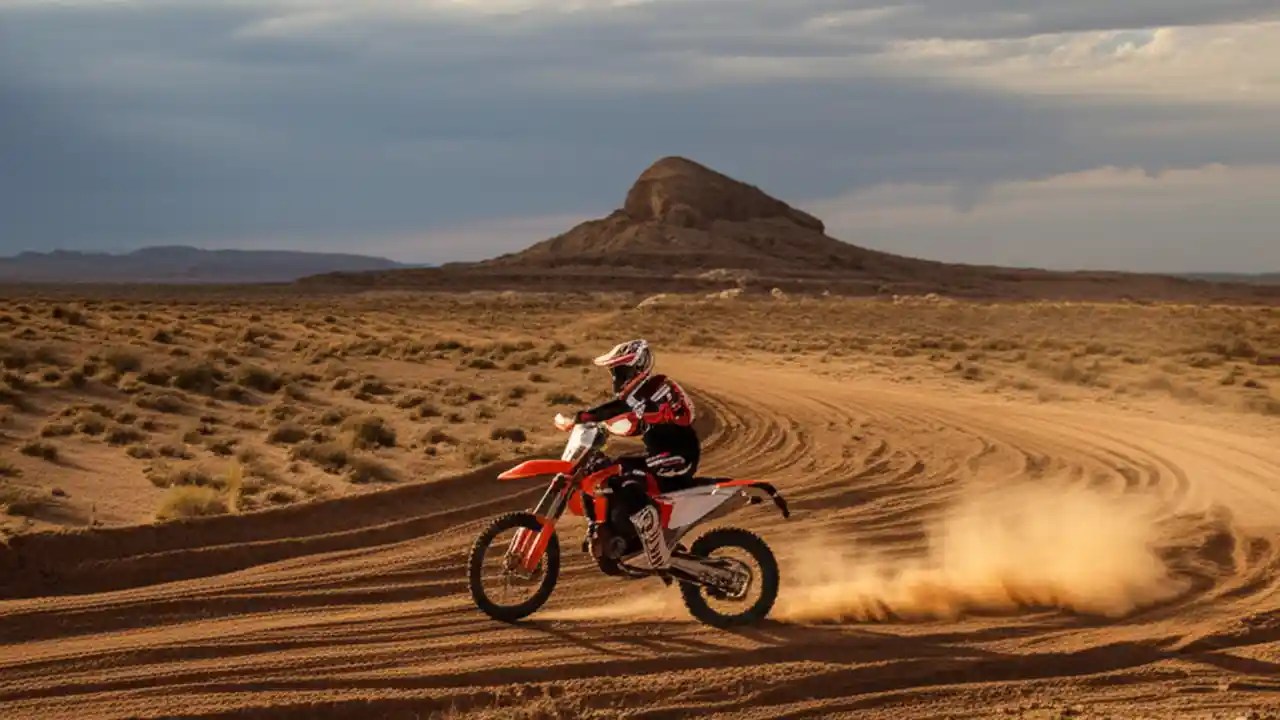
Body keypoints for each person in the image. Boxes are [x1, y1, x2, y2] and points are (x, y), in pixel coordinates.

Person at [570, 338, 699, 570]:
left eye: (621, 371)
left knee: (625, 471)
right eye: (615, 373)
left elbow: (626, 409)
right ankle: (612, 534)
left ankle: (657, 547)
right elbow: (629, 420)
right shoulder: (639, 398)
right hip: (660, 456)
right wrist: (599, 431)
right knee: (601, 471)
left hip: (680, 457)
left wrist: (587, 416)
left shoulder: (659, 387)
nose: (617, 378)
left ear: (639, 368)